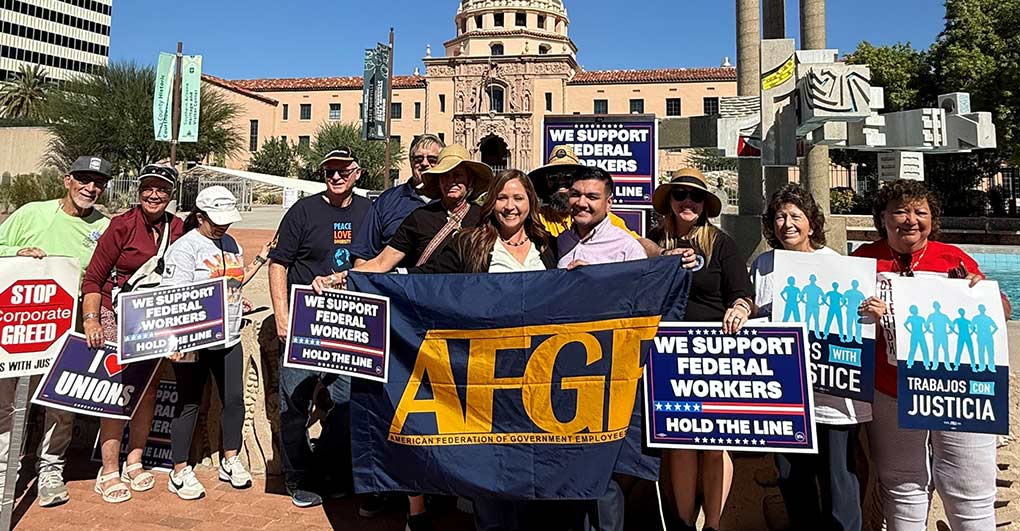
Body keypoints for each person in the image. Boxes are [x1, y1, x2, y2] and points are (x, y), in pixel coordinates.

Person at [852, 179, 1011, 531]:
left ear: (931, 219)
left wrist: (980, 294)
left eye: (920, 212)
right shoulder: (863, 260)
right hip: (889, 388)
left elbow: (1003, 311)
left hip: (957, 390)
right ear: (882, 217)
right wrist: (865, 314)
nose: (910, 219)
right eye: (900, 211)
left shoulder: (952, 258)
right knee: (902, 484)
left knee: (969, 484)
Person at [749, 183, 870, 531]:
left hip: (831, 397)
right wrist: (743, 307)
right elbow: (755, 309)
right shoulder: (762, 265)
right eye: (779, 217)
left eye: (795, 216)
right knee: (791, 478)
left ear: (812, 224)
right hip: (784, 396)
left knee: (839, 481)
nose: (787, 223)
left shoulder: (836, 264)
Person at [0, 155, 113, 507]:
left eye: (98, 183)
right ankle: (5, 473)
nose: (90, 188)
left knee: (60, 404)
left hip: (66, 330)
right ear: (67, 180)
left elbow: (104, 274)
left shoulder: (104, 226)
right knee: (5, 405)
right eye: (83, 179)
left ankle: (50, 469)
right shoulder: (31, 213)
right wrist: (16, 252)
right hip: (18, 327)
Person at [648, 168, 753, 531]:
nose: (687, 202)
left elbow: (742, 293)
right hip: (667, 355)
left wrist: (739, 308)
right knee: (678, 440)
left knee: (715, 440)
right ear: (670, 202)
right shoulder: (652, 242)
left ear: (705, 205)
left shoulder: (721, 243)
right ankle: (681, 522)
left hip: (714, 356)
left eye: (695, 197)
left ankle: (715, 524)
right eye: (680, 195)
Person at [268, 147, 372, 508]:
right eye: (330, 170)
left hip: (347, 327)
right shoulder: (303, 211)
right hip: (304, 325)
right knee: (294, 403)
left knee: (346, 403)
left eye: (343, 170)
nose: (336, 176)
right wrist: (283, 318)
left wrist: (344, 277)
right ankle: (298, 477)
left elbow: (376, 263)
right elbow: (278, 264)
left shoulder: (368, 211)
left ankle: (328, 470)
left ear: (357, 173)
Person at [348, 133, 444, 524]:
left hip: (438, 323)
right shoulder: (388, 202)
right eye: (417, 156)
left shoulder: (459, 205)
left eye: (431, 157)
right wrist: (343, 281)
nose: (423, 162)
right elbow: (363, 256)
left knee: (433, 407)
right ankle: (381, 487)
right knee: (380, 401)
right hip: (387, 319)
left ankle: (437, 489)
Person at [160, 186, 272, 500]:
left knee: (234, 400)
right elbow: (174, 297)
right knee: (189, 403)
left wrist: (259, 261)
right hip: (193, 340)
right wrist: (175, 337)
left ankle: (230, 459)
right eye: (215, 220)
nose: (223, 225)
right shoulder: (184, 248)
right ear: (200, 216)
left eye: (226, 219)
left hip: (230, 336)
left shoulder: (232, 243)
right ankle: (179, 470)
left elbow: (232, 283)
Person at [82, 164, 184, 504]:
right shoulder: (122, 225)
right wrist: (92, 320)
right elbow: (94, 277)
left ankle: (135, 460)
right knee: (116, 390)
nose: (154, 195)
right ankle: (109, 470)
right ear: (139, 191)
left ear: (172, 194)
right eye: (148, 188)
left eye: (162, 189)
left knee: (147, 390)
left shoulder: (178, 227)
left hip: (155, 318)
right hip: (118, 314)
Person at [529, 145, 661, 257]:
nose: (561, 182)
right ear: (545, 182)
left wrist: (664, 253)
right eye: (553, 177)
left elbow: (636, 242)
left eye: (568, 177)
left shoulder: (599, 219)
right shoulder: (536, 217)